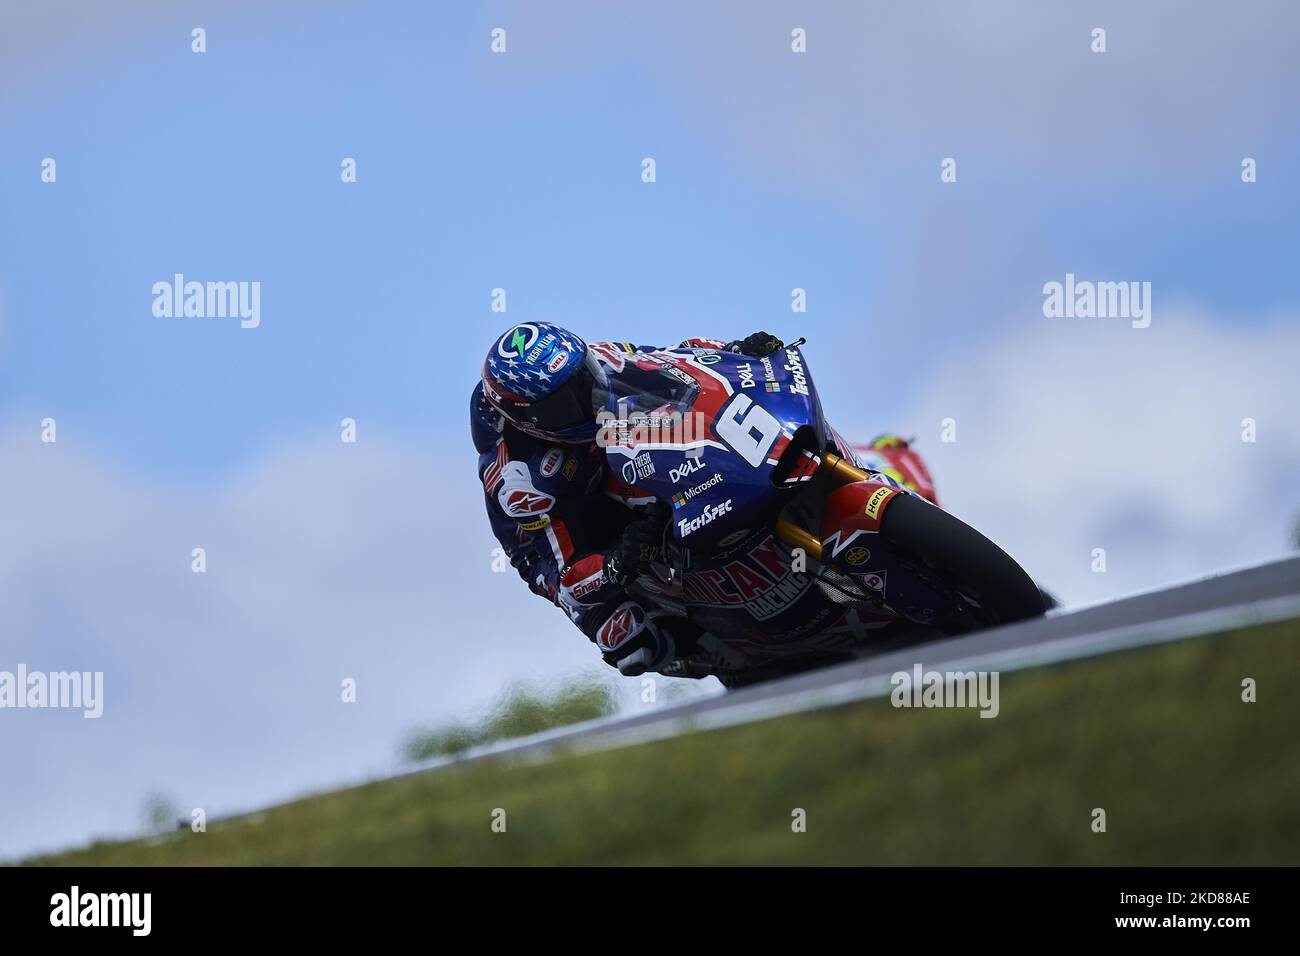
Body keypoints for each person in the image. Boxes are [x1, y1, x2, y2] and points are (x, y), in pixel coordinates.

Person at [471, 323, 784, 676]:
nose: (584, 398)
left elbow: (679, 359)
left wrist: (735, 351)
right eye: (564, 404)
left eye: (583, 379)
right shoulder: (522, 480)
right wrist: (615, 562)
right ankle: (727, 656)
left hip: (604, 455)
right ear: (528, 419)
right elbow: (566, 574)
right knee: (628, 641)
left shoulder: (600, 358)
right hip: (553, 540)